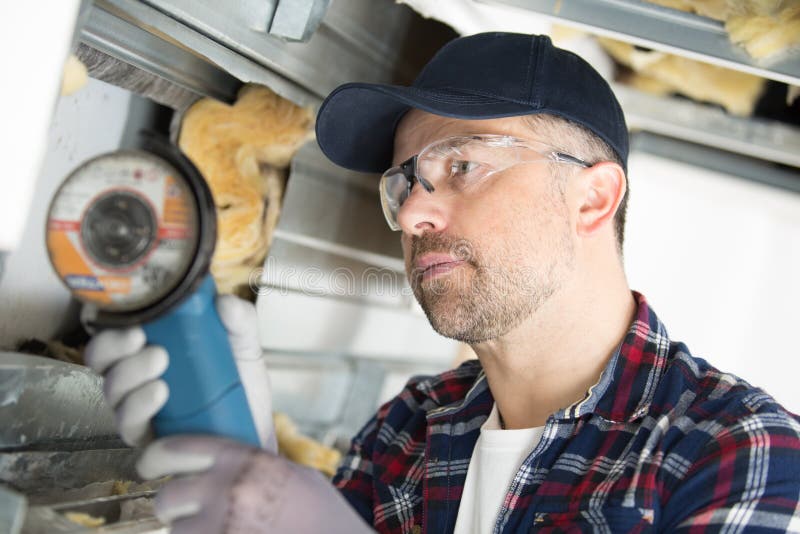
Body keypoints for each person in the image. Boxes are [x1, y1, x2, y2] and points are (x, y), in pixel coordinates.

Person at [85, 33, 800, 533]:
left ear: (592, 198)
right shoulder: (414, 425)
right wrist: (236, 451)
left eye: (462, 165)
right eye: (406, 182)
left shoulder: (738, 450)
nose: (415, 211)